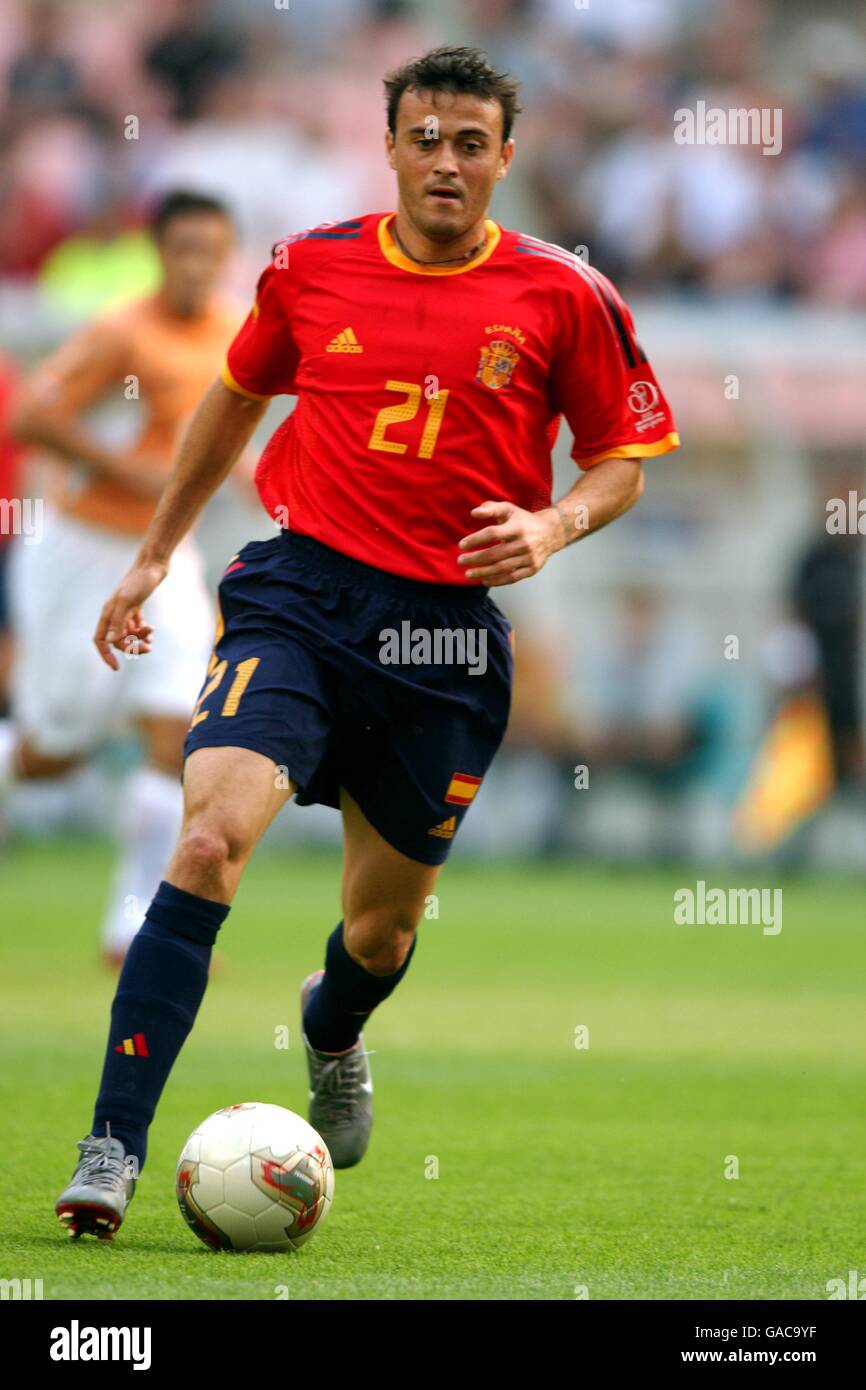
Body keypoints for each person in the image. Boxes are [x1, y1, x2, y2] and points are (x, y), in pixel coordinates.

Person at [54, 46, 679, 1239]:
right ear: (388, 145)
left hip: (444, 639)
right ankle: (112, 1147)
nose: (444, 161)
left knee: (382, 930)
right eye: (423, 138)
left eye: (469, 142)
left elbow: (624, 461)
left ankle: (331, 1027)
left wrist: (552, 521)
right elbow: (235, 396)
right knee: (205, 837)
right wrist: (152, 550)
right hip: (299, 595)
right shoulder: (310, 267)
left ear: (506, 155)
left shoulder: (563, 294)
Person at [1, 190, 241, 963]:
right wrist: (129, 472)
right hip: (81, 552)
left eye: (213, 250)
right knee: (55, 750)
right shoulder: (121, 333)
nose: (199, 266)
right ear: (159, 253)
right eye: (185, 249)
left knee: (179, 730)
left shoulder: (236, 333)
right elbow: (31, 417)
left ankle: (131, 926)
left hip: (166, 560)